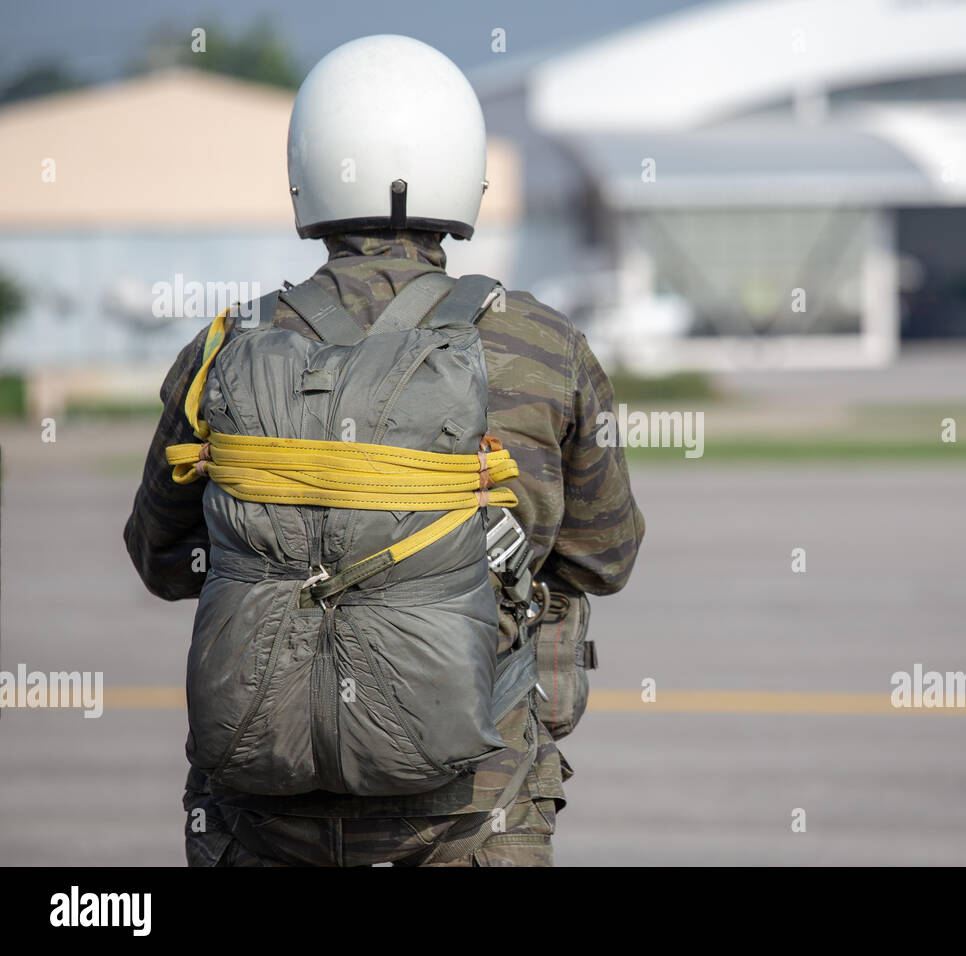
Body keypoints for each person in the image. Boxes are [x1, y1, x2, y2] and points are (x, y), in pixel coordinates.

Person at [123, 34, 644, 867]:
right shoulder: (545, 345)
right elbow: (604, 559)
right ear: (462, 170)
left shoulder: (227, 343)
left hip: (260, 817)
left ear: (309, 172)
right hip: (474, 814)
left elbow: (160, 557)